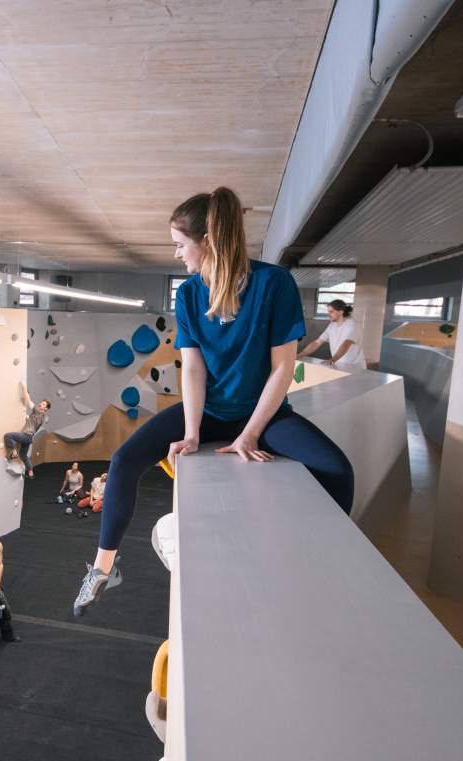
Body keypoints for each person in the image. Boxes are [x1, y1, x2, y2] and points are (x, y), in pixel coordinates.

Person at [73, 187, 355, 617]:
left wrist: (250, 433)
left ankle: (318, 561)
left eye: (179, 244)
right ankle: (102, 569)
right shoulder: (188, 294)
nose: (176, 254)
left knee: (338, 470)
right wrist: (191, 432)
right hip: (207, 414)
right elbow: (193, 369)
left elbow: (283, 367)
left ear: (207, 241)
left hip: (265, 416)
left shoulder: (273, 283)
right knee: (124, 459)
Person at [298, 299, 366, 370]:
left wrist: (332, 360)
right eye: (328, 312)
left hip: (355, 367)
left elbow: (346, 344)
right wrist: (300, 354)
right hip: (339, 365)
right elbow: (317, 342)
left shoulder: (352, 325)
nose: (328, 314)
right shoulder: (332, 326)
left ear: (341, 312)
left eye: (331, 312)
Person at [3, 381, 51, 478]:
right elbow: (33, 424)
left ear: (45, 409)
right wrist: (28, 419)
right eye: (41, 403)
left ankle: (13, 454)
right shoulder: (42, 418)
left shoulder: (37, 411)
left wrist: (24, 387)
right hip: (29, 438)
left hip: (26, 436)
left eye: (43, 404)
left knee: (8, 436)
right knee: (23, 455)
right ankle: (30, 472)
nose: (40, 404)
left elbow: (28, 400)